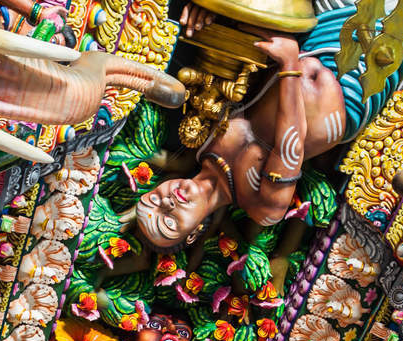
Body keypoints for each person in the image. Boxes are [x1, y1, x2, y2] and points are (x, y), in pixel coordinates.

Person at [135, 34, 348, 249]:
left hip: (316, 42)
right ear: (193, 233)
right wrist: (290, 65)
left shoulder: (201, 141)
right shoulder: (263, 208)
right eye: (169, 222)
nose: (166, 202)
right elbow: (291, 147)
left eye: (153, 199)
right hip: (351, 86)